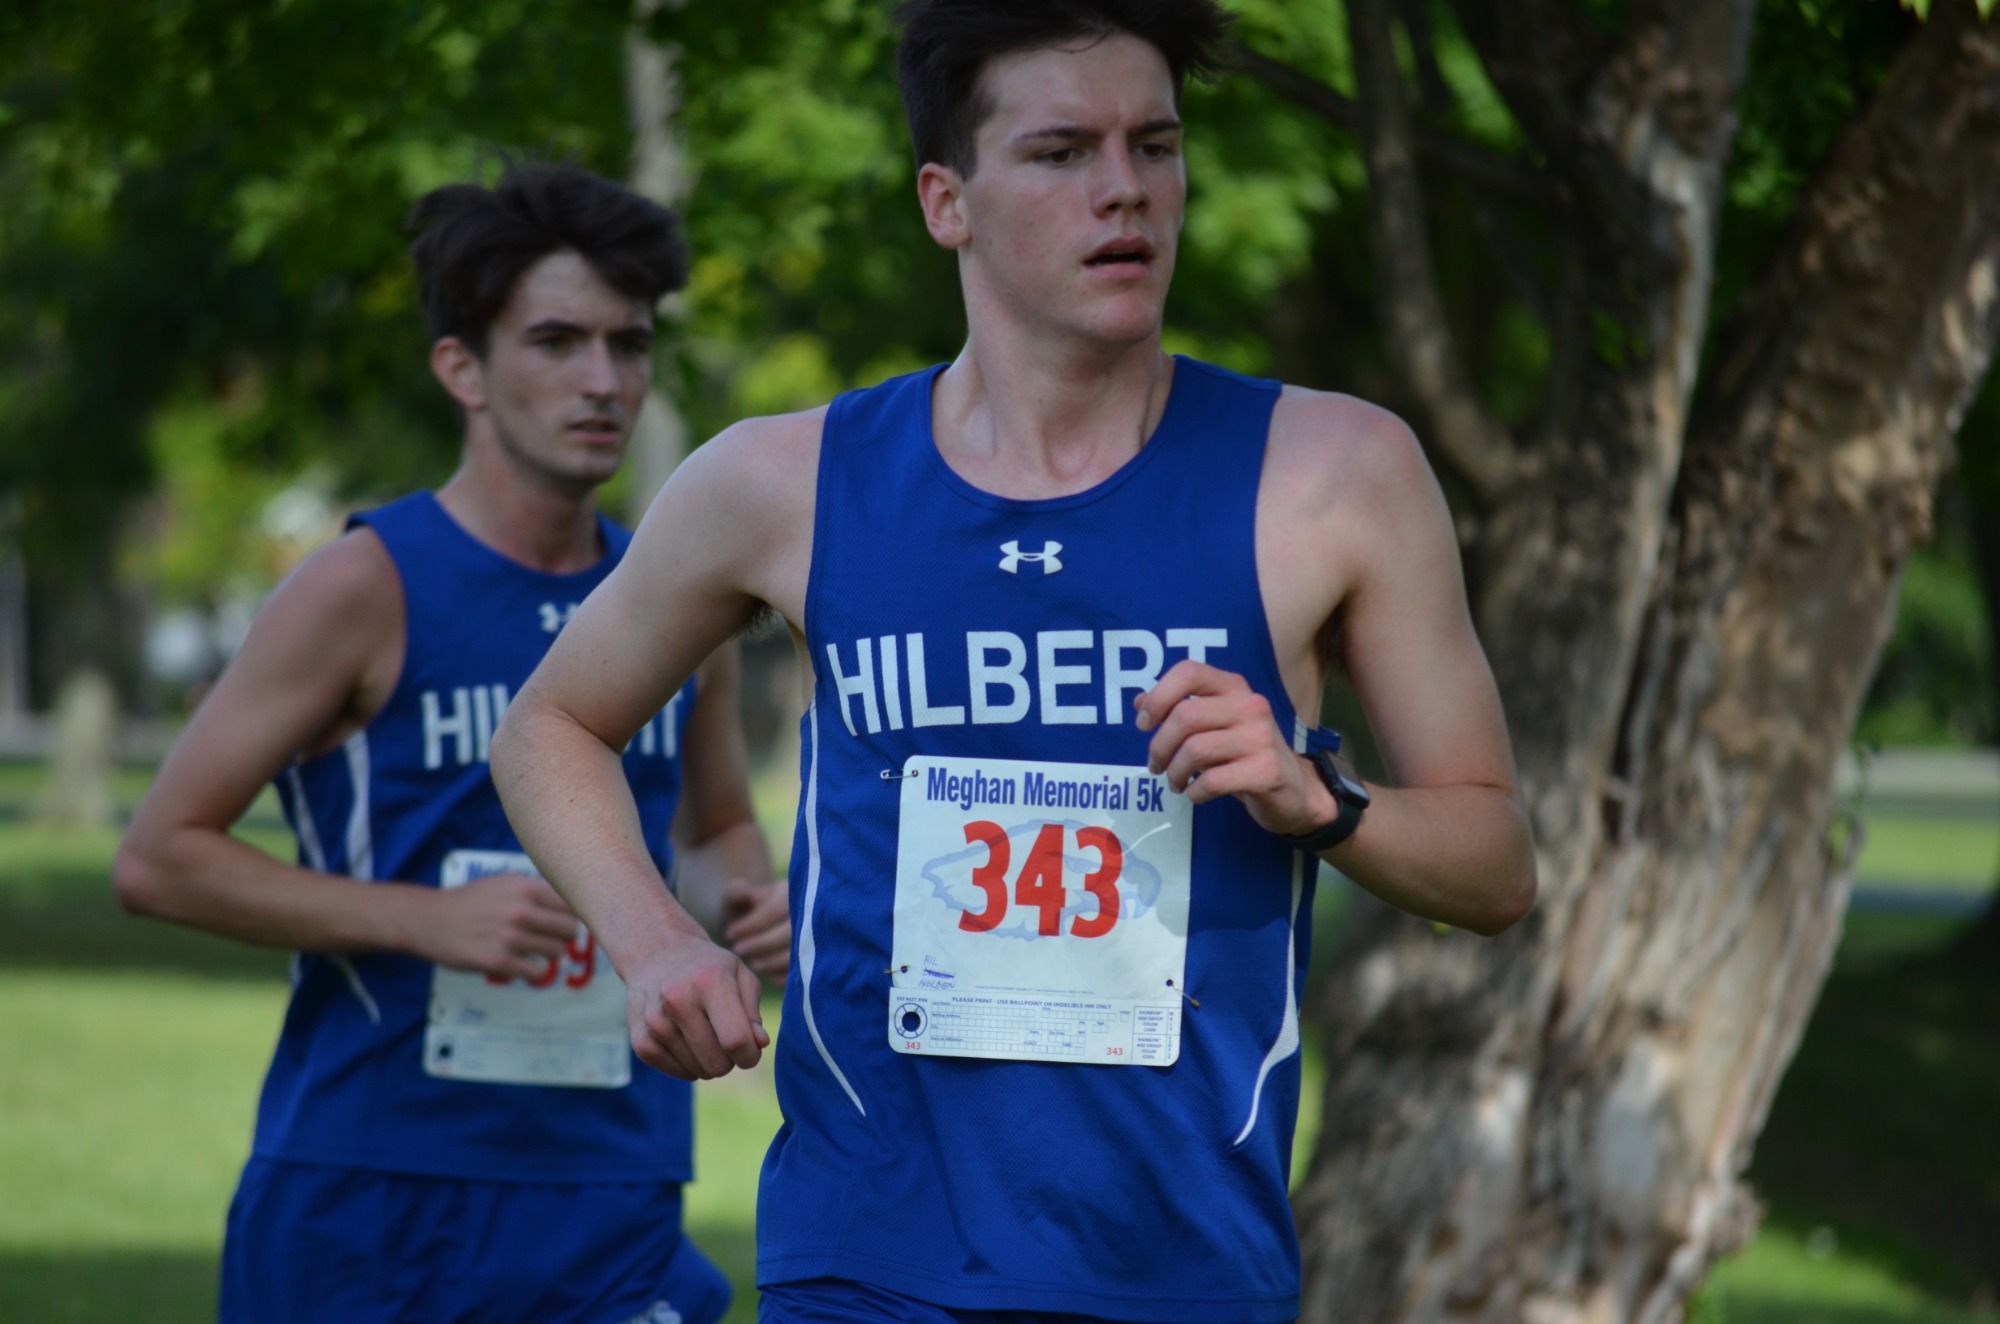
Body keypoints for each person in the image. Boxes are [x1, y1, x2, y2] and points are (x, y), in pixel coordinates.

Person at [492, 1, 1538, 1317]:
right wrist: (649, 943)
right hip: (865, 1257)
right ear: (949, 200)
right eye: (1059, 153)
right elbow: (550, 728)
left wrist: (1315, 796)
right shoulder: (783, 482)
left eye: (1154, 146)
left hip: (1183, 1265)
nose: (1124, 192)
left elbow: (1498, 866)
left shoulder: (1334, 474)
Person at [113, 162, 788, 1324]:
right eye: (557, 341)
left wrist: (746, 900)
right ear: (460, 368)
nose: (602, 381)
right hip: (375, 1187)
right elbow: (159, 854)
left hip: (613, 1178)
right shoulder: (363, 584)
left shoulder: (673, 596)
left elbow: (715, 823)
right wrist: (420, 919)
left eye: (628, 346)